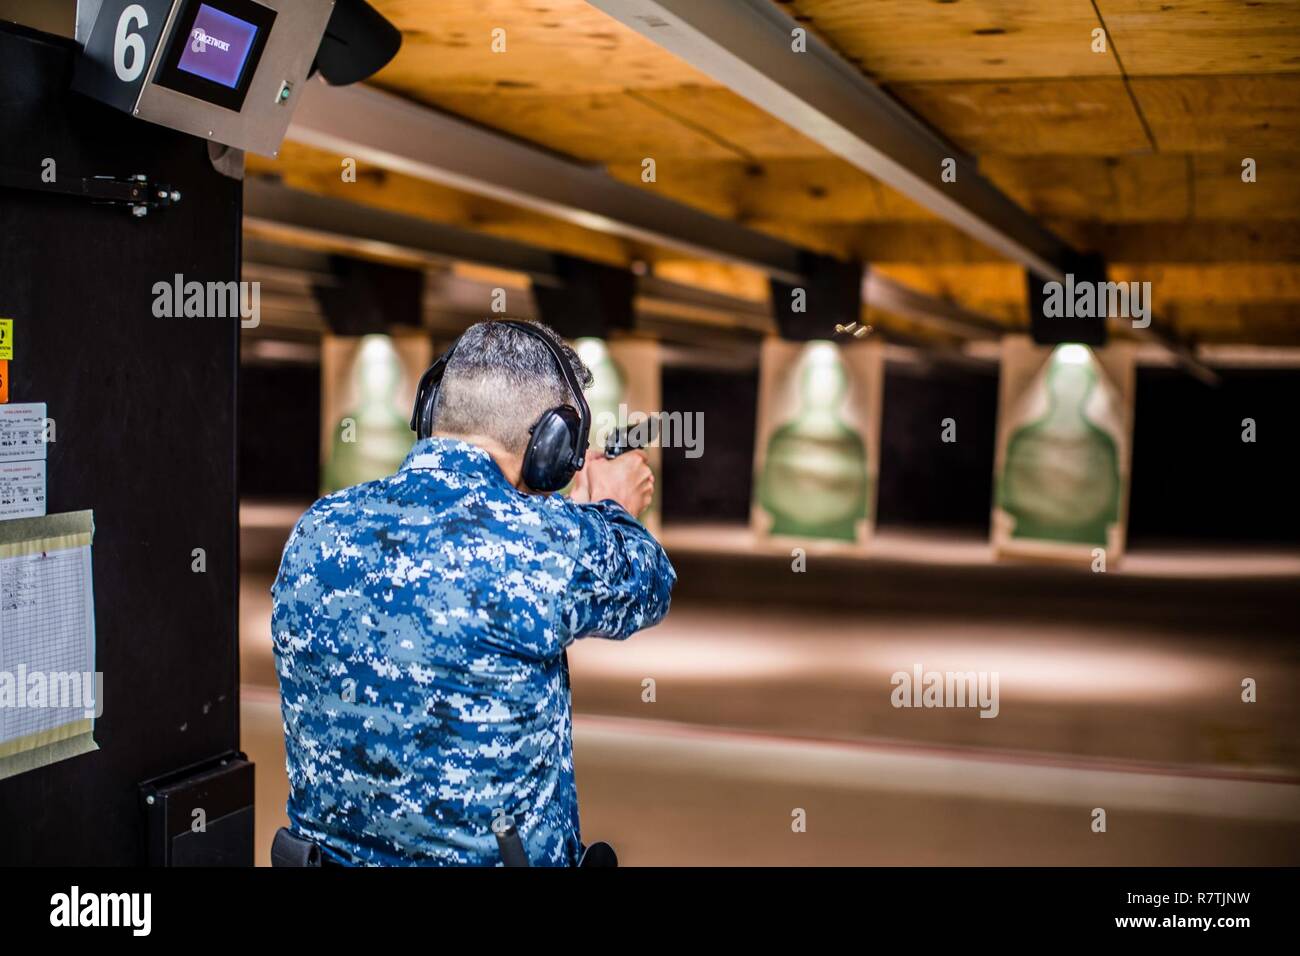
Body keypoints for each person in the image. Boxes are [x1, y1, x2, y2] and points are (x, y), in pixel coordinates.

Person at [270, 319, 675, 866]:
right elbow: (648, 583)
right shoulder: (549, 543)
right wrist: (612, 507)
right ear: (551, 445)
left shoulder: (317, 528)